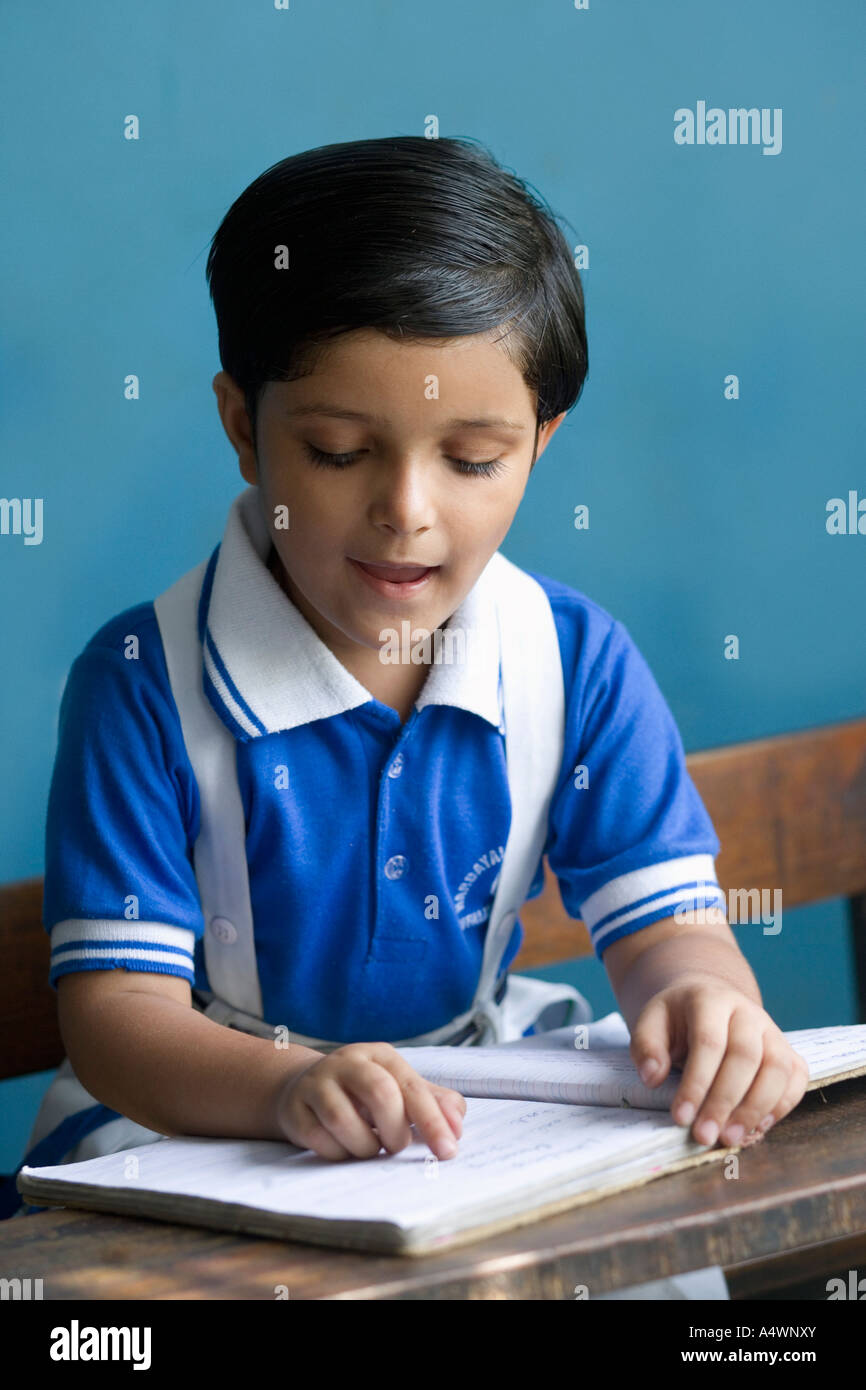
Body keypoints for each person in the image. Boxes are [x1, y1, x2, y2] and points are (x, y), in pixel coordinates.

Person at [3, 136, 808, 1230]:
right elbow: (116, 1019)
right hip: (206, 1127)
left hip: (472, 1110)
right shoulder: (146, 684)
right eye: (338, 450)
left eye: (472, 459)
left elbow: (664, 927)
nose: (406, 510)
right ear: (245, 427)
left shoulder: (572, 663)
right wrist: (284, 1090)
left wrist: (702, 1003)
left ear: (539, 445)